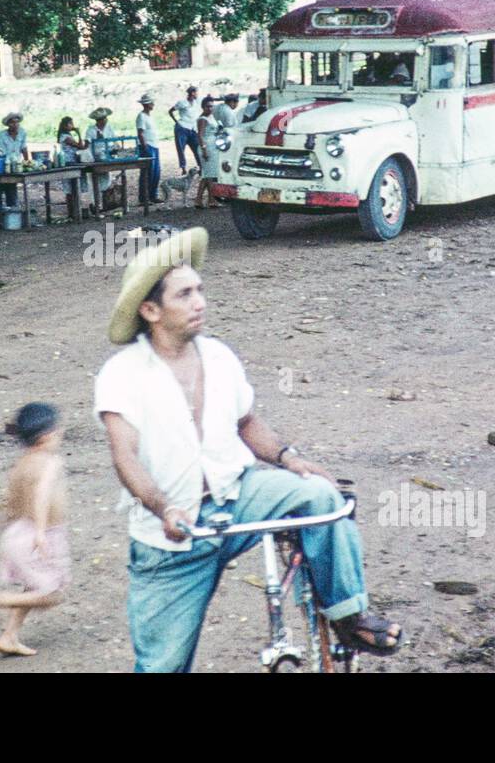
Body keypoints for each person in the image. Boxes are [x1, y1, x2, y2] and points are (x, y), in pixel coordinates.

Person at [93, 227, 403, 672]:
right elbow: (124, 456)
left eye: (200, 290)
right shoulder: (122, 374)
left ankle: (348, 616)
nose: (200, 301)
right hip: (172, 538)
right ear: (150, 310)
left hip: (238, 497)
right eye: (184, 295)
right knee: (161, 665)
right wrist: (163, 509)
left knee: (319, 495)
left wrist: (288, 457)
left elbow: (247, 422)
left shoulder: (219, 356)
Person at [0, 402, 70, 657]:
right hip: (40, 534)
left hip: (16, 532)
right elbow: (42, 494)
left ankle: (9, 636)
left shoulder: (22, 462)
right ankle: (1, 599)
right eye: (58, 430)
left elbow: (10, 499)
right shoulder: (50, 462)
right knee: (53, 593)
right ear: (47, 436)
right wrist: (41, 532)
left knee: (31, 586)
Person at [56, 116, 92, 219]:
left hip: (72, 161)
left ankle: (75, 211)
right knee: (70, 189)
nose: (72, 126)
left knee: (74, 188)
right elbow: (80, 146)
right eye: (70, 124)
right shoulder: (65, 137)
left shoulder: (68, 135)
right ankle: (71, 212)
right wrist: (80, 134)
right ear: (65, 125)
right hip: (68, 162)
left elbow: (80, 145)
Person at [0, 112, 29, 211]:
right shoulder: (2, 135)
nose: (15, 125)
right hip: (4, 163)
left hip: (16, 164)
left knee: (12, 189)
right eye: (12, 123)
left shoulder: (22, 132)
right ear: (8, 124)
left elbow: (24, 148)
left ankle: (13, 210)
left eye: (17, 122)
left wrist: (27, 162)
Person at [85, 107, 118, 209]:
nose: (105, 120)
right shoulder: (91, 130)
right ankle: (96, 206)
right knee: (94, 184)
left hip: (107, 157)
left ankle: (105, 204)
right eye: (102, 118)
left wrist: (116, 147)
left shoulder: (109, 128)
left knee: (106, 181)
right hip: (94, 159)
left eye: (105, 118)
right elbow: (87, 144)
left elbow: (115, 140)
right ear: (98, 120)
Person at [168, 85, 202, 175]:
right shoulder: (182, 103)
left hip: (192, 128)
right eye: (196, 92)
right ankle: (183, 168)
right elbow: (170, 111)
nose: (197, 94)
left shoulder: (196, 102)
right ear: (192, 93)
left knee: (197, 148)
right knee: (181, 149)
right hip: (182, 127)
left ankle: (201, 167)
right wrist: (176, 121)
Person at [135, 93, 162, 203]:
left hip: (154, 144)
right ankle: (144, 197)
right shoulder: (141, 116)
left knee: (156, 171)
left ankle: (152, 195)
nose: (153, 104)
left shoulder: (148, 116)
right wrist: (144, 146)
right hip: (148, 145)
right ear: (147, 104)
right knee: (148, 172)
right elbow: (140, 133)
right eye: (151, 103)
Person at [194, 96, 219, 210]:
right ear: (203, 107)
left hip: (213, 147)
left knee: (207, 174)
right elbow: (200, 135)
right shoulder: (203, 119)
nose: (210, 108)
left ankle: (198, 199)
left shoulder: (211, 117)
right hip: (207, 147)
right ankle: (211, 199)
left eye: (211, 106)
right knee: (209, 175)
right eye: (208, 106)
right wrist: (204, 149)